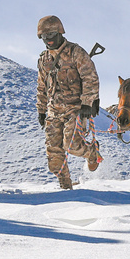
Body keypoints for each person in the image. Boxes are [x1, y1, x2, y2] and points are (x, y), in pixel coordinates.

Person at [35, 15, 102, 189]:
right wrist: (41, 110)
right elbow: (42, 86)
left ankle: (92, 152)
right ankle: (66, 191)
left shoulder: (75, 52)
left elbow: (90, 77)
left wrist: (88, 103)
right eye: (44, 37)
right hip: (53, 111)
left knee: (72, 146)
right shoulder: (44, 60)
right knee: (54, 158)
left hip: (75, 109)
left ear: (59, 32)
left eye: (51, 35)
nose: (48, 40)